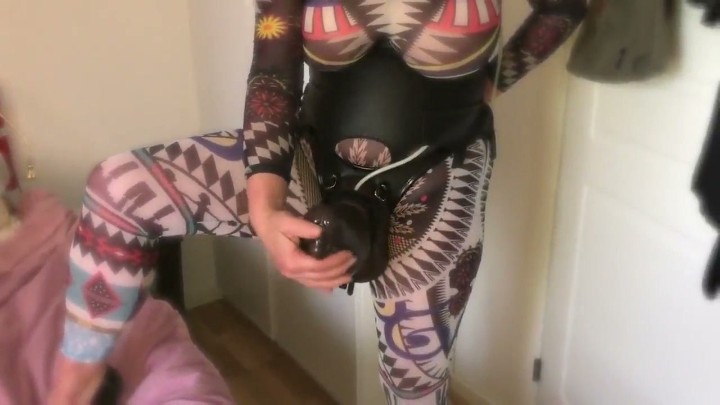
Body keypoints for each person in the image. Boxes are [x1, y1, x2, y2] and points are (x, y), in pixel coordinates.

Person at [49, 1, 587, 403]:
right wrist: (265, 208)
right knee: (118, 188)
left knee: (414, 385)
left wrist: (493, 82)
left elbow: (564, 6)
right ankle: (75, 384)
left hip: (438, 184)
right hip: (308, 159)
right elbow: (273, 69)